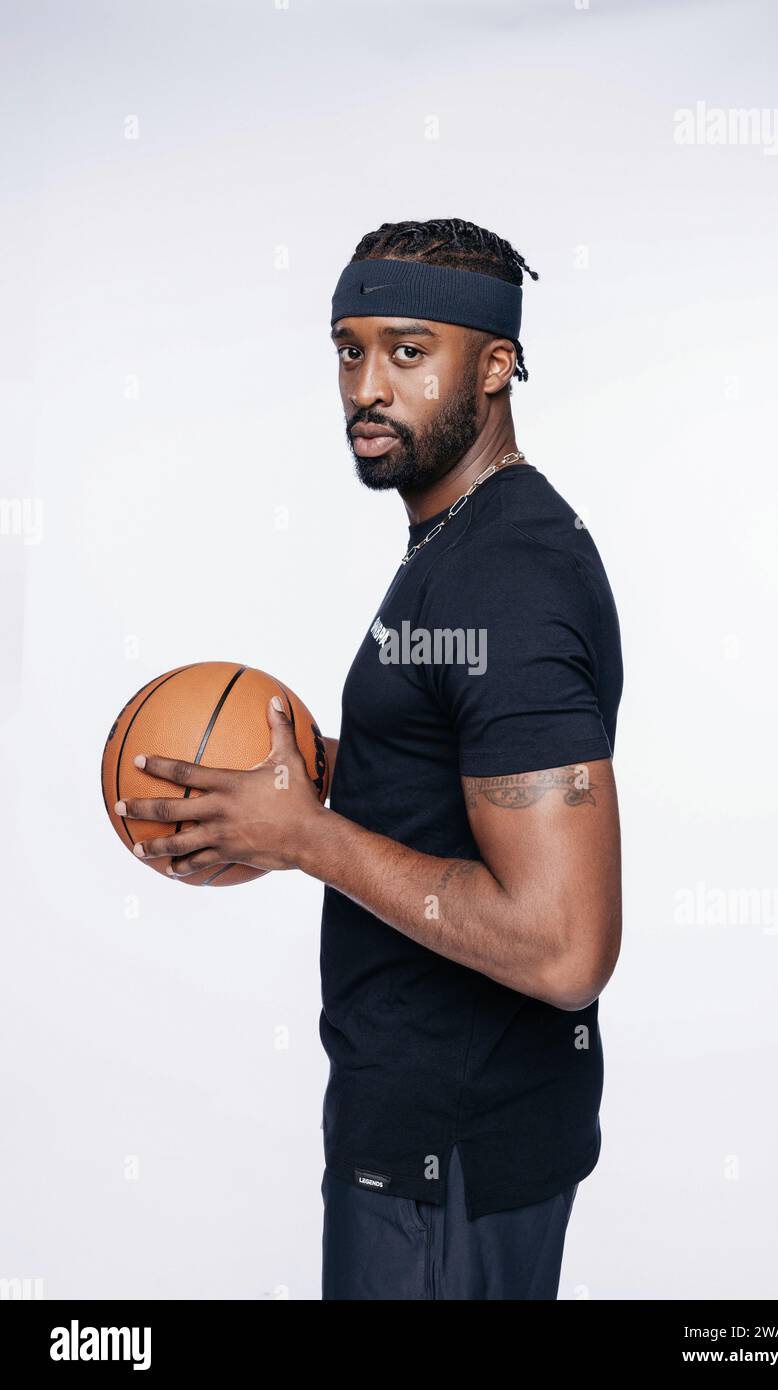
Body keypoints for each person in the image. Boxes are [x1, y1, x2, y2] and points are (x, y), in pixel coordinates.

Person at [117, 217, 624, 1301]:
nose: (366, 387)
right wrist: (332, 765)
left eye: (406, 350)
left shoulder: (507, 579)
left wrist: (306, 836)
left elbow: (563, 945)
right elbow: (468, 758)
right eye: (349, 350)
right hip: (435, 1135)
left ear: (495, 368)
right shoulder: (462, 542)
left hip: (450, 1154)